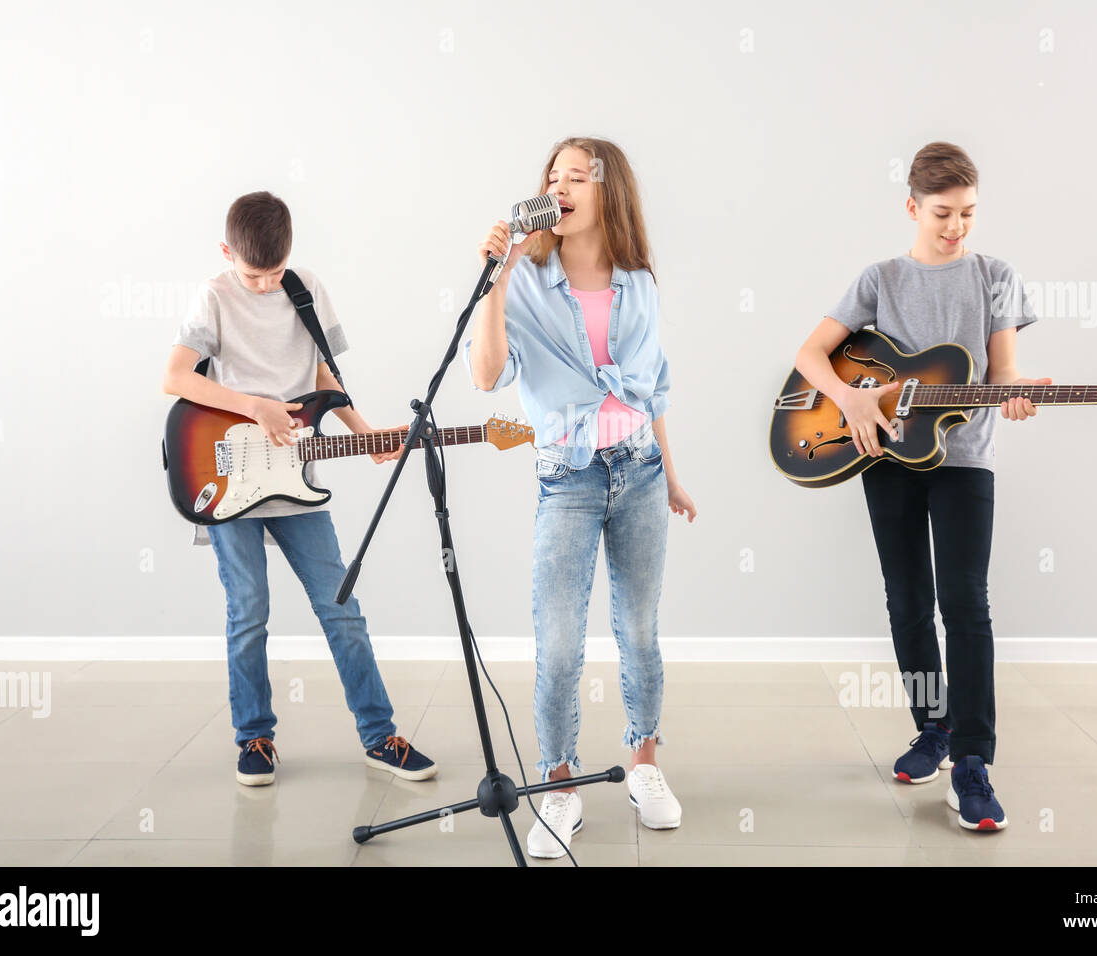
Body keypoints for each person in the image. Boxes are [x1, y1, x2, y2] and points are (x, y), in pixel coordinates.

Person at [794, 142, 1047, 831]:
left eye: (967, 212)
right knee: (907, 600)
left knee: (966, 603)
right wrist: (850, 401)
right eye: (942, 213)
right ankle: (931, 726)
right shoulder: (879, 278)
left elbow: (1001, 375)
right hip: (888, 459)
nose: (956, 226)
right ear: (912, 206)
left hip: (966, 458)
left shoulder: (996, 277)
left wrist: (1017, 395)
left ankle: (971, 759)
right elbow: (810, 354)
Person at [465, 138, 697, 858]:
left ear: (607, 194)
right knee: (560, 641)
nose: (559, 185)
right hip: (565, 475)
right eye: (552, 176)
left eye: (576, 177)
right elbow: (485, 377)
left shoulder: (640, 282)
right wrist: (496, 280)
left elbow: (654, 385)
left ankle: (645, 766)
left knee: (640, 632)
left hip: (641, 470)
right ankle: (557, 788)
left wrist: (673, 473)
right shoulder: (527, 281)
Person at [162, 191, 437, 787]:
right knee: (249, 614)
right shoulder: (213, 295)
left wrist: (363, 435)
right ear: (226, 252)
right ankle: (255, 738)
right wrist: (254, 406)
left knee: (342, 610)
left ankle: (379, 735)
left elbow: (321, 375)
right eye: (253, 273)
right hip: (230, 481)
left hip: (297, 484)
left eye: (276, 272)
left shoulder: (305, 289)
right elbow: (175, 377)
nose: (265, 285)